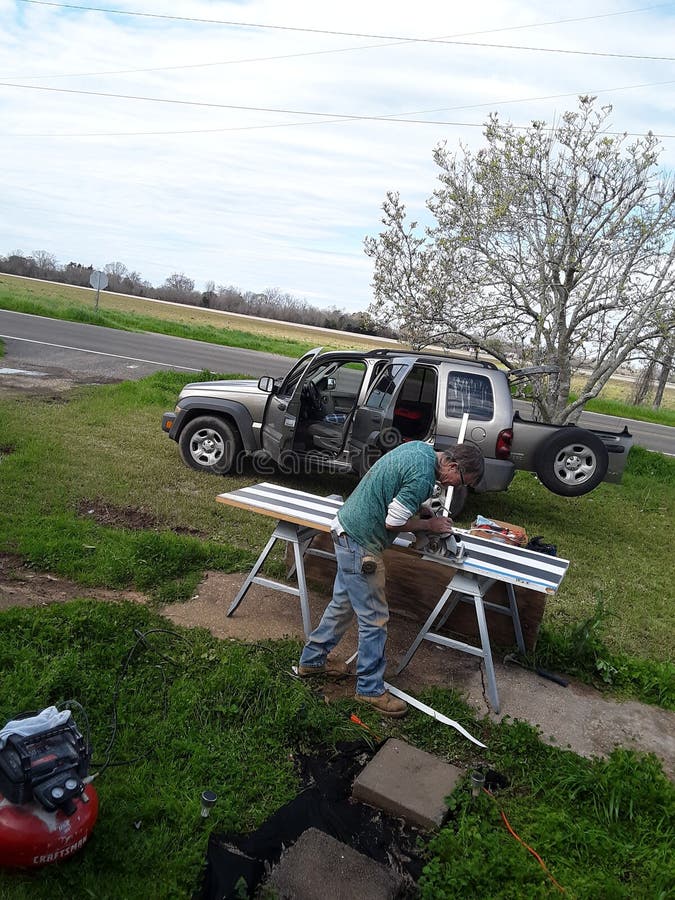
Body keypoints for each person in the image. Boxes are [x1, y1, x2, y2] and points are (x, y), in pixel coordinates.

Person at [298, 441, 485, 717]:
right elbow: (393, 522)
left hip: (346, 530)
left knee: (342, 605)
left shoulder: (421, 449)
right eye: (460, 480)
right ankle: (369, 689)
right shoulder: (423, 477)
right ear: (453, 466)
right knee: (375, 619)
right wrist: (428, 525)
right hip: (360, 545)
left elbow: (397, 488)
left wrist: (421, 509)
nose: (456, 486)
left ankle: (312, 661)